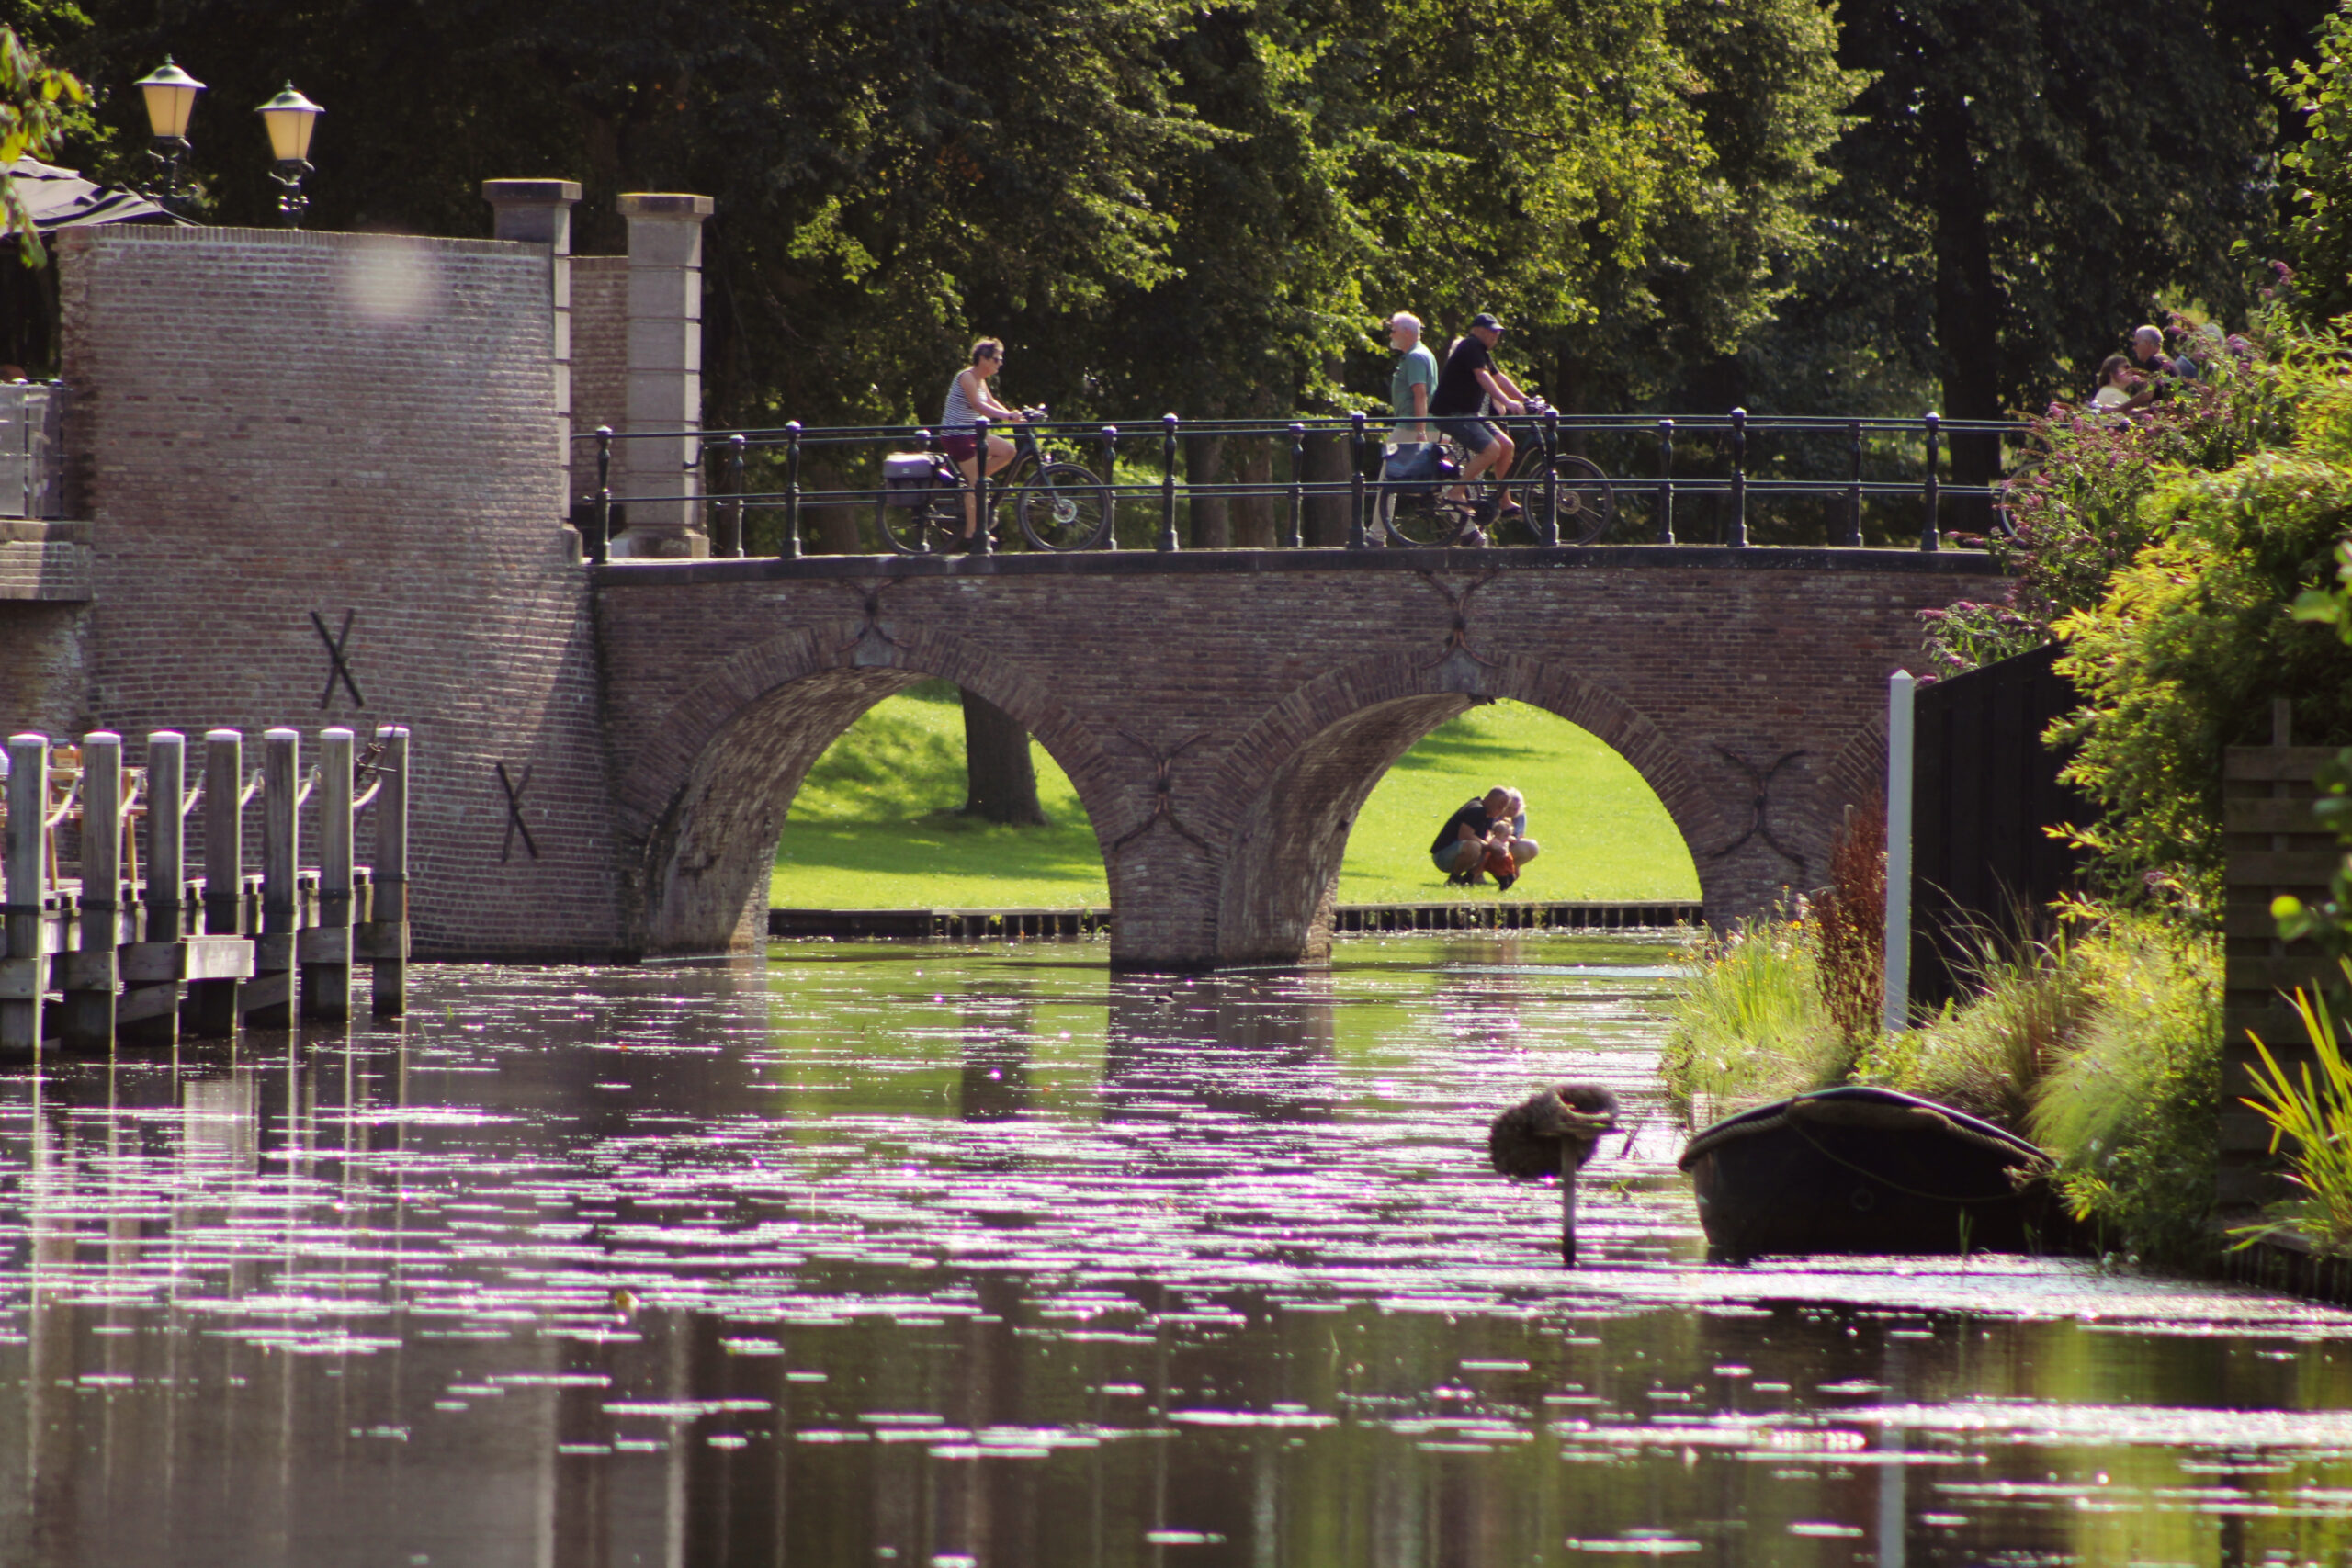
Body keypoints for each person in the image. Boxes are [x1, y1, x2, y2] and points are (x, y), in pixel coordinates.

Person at [1430, 313, 1532, 519]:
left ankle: (1505, 501)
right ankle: (1455, 492)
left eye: (1498, 332)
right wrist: (1507, 402)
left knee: (1507, 446)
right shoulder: (1471, 346)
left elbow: (1497, 376)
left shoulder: (1481, 351)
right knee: (1491, 449)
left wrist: (1526, 399)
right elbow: (1483, 376)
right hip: (1452, 414)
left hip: (1469, 414)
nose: (1496, 336)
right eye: (1492, 331)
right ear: (1478, 330)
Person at [940, 338, 1027, 549]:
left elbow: (990, 401)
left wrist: (1014, 414)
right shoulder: (967, 377)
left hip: (973, 434)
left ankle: (977, 480)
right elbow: (979, 405)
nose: (1000, 363)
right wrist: (1007, 417)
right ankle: (972, 533)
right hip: (958, 437)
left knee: (1008, 450)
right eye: (996, 359)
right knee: (975, 483)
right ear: (983, 359)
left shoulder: (980, 380)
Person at [1430, 785, 1542, 893]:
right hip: (1443, 856)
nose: (1501, 811)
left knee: (1488, 847)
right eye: (1500, 807)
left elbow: (1487, 837)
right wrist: (1489, 846)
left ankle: (1470, 879)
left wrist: (1497, 847)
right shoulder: (1476, 810)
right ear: (1490, 800)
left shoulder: (1489, 814)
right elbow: (1464, 835)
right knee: (1475, 847)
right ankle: (1454, 879)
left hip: (1459, 852)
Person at [1387, 312, 1438, 439]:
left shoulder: (1415, 357)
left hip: (1411, 427)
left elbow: (1421, 395)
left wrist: (1421, 431)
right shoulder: (1423, 353)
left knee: (1391, 458)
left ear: (1407, 332)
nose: (1390, 335)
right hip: (1417, 425)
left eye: (1394, 331)